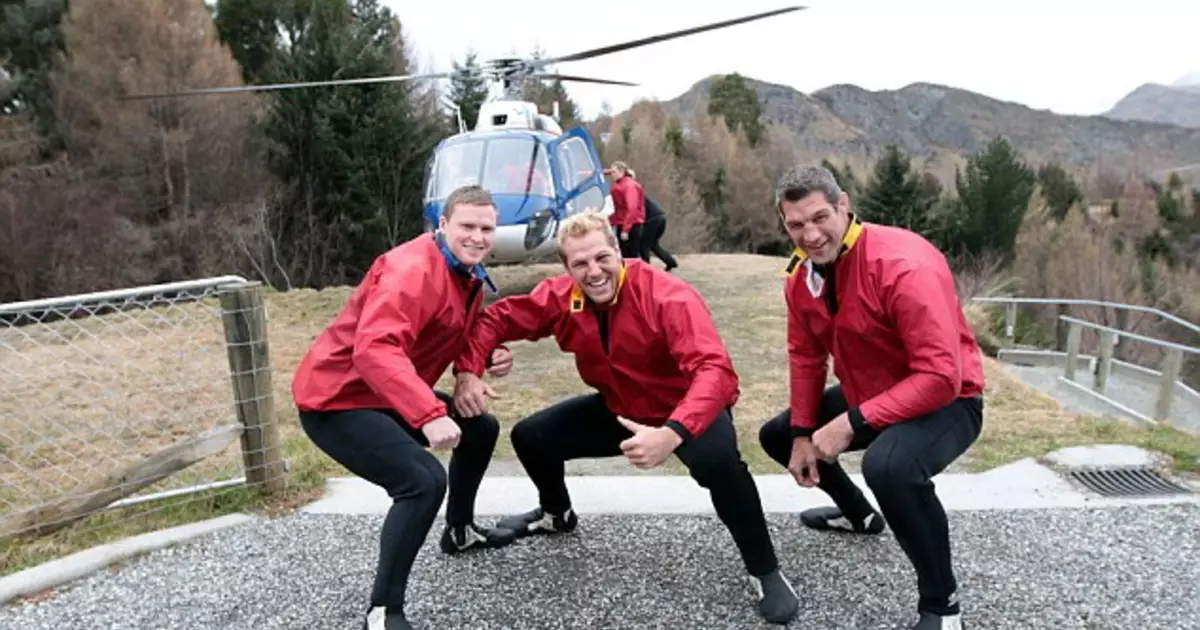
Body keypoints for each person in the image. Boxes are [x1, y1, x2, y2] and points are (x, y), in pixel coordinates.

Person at [452, 211, 801, 625]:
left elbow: (716, 372)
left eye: (602, 258)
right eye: (580, 264)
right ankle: (556, 515)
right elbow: (497, 318)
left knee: (718, 465)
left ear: (619, 251)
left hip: (687, 408)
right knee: (532, 436)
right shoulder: (563, 296)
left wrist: (672, 434)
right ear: (567, 268)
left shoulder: (667, 295)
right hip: (622, 406)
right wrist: (471, 369)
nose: (594, 271)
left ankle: (765, 570)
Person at [756, 165, 986, 630]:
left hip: (949, 400)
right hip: (870, 393)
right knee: (779, 435)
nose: (811, 234)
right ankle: (859, 516)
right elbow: (805, 356)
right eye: (796, 225)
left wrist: (850, 423)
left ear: (844, 204)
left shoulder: (903, 265)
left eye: (820, 217)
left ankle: (943, 607)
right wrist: (805, 433)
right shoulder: (801, 276)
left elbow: (942, 375)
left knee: (890, 467)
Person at [291, 185, 519, 630]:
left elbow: (460, 327)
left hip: (386, 392)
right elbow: (375, 349)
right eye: (467, 226)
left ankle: (460, 532)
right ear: (443, 226)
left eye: (486, 228)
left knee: (479, 428)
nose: (477, 236)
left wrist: (479, 364)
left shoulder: (463, 270)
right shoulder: (412, 270)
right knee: (421, 481)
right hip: (337, 400)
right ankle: (382, 612)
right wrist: (429, 414)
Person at [605, 160, 645, 259]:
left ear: (621, 171)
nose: (612, 175)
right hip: (621, 223)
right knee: (624, 254)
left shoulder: (629, 185)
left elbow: (631, 208)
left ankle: (632, 274)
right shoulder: (619, 184)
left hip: (631, 225)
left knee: (630, 255)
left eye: (614, 172)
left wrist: (625, 230)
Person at [639, 195, 679, 271]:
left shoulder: (633, 196)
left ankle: (646, 269)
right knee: (653, 245)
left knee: (644, 246)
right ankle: (671, 262)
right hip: (660, 218)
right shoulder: (638, 194)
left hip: (653, 219)